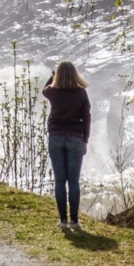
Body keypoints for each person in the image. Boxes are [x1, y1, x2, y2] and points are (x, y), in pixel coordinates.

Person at [42, 60, 90, 230]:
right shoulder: (81, 93)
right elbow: (86, 117)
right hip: (75, 138)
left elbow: (44, 89)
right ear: (75, 75)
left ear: (58, 75)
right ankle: (75, 221)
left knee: (60, 181)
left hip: (55, 137)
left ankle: (63, 220)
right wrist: (85, 140)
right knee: (74, 181)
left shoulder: (53, 92)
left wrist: (52, 76)